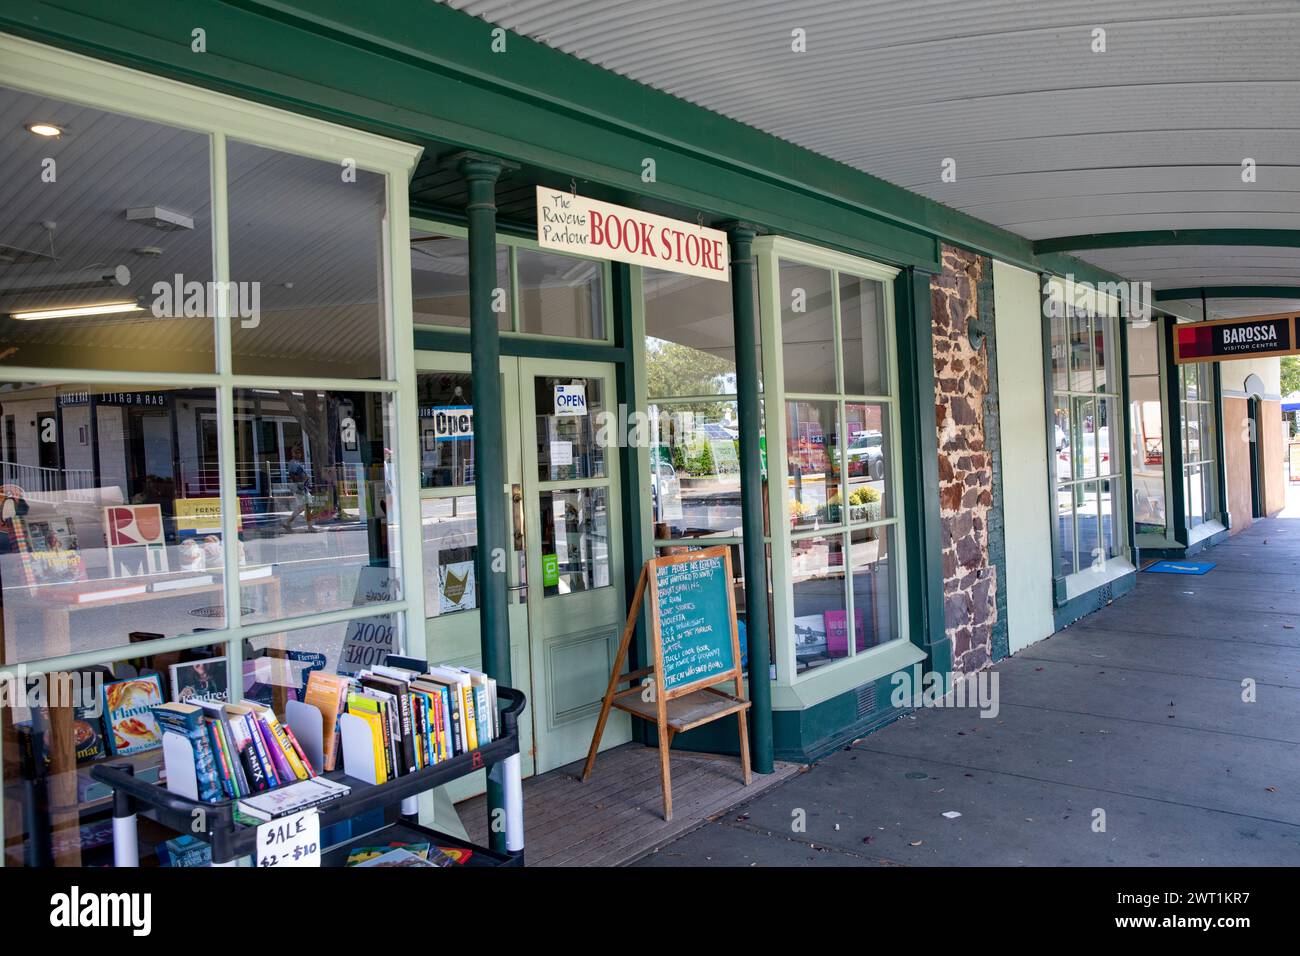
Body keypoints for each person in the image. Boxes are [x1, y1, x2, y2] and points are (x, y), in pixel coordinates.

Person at [283, 444, 316, 533]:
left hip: (303, 487)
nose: (298, 454)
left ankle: (287, 523)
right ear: (293, 453)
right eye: (296, 452)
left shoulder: (297, 463)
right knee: (308, 506)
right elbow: (292, 475)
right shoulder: (293, 463)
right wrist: (302, 480)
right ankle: (310, 527)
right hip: (300, 488)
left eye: (299, 452)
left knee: (301, 507)